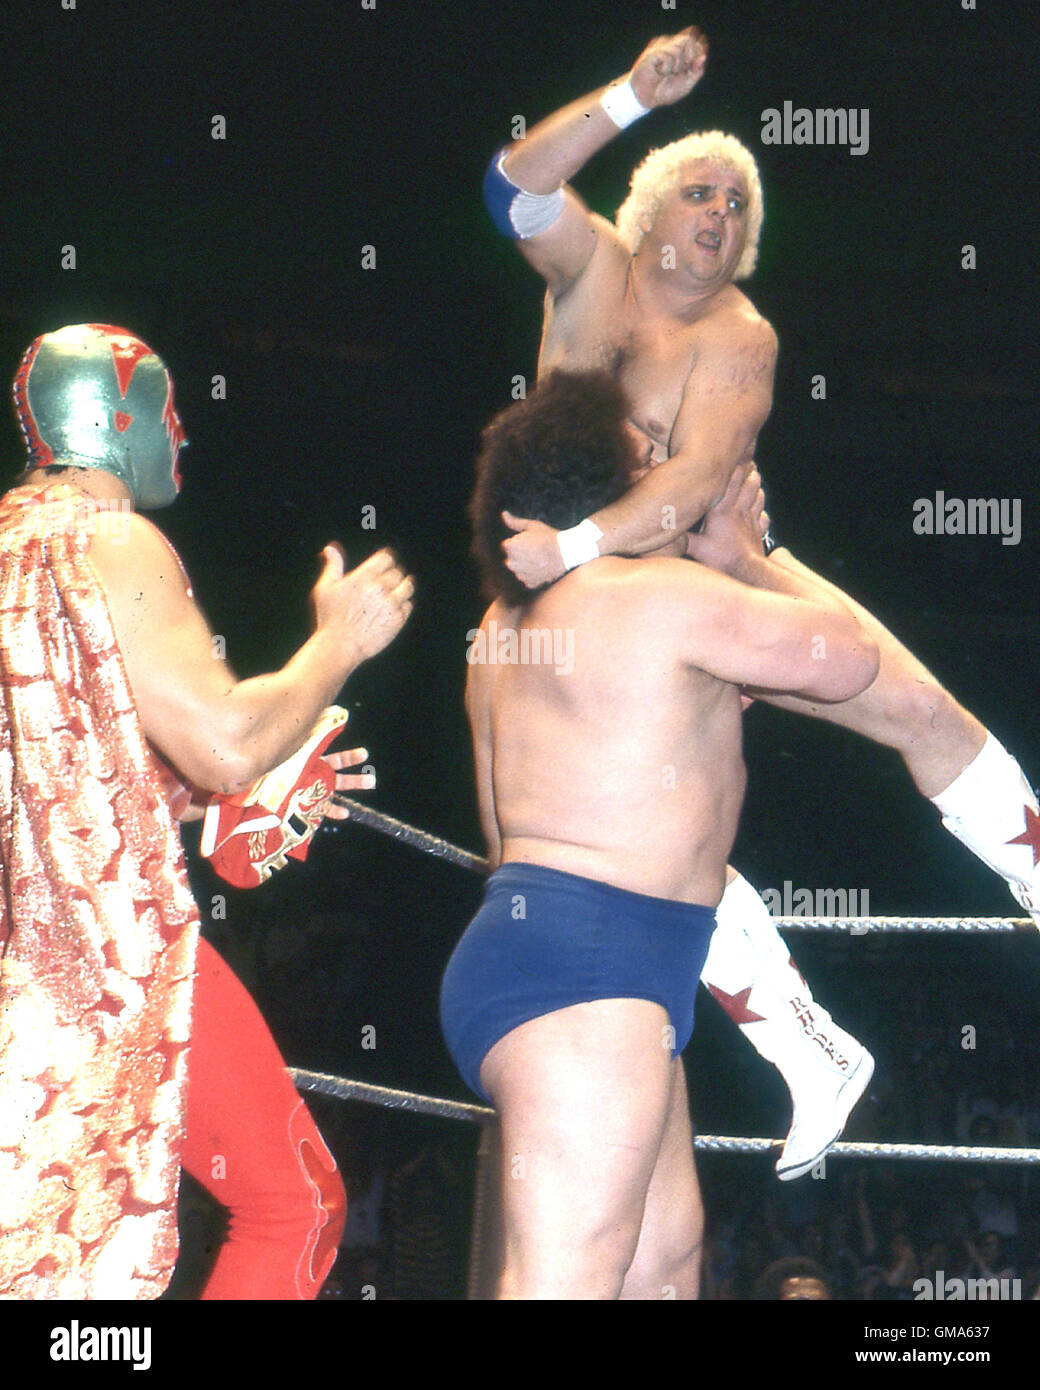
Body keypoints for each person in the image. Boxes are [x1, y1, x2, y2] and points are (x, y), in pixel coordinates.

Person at [481, 26, 1039, 1179]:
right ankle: (803, 1043)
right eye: (699, 192)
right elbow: (511, 181)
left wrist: (585, 538)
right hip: (582, 608)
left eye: (737, 204)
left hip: (696, 568)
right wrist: (631, 93)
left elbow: (695, 480)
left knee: (916, 707)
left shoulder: (742, 331)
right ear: (644, 209)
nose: (720, 216)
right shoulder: (587, 269)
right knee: (623, 836)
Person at [440, 369, 879, 1299]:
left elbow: (496, 824)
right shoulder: (662, 598)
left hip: (576, 958)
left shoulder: (502, 626)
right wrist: (746, 553)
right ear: (609, 493)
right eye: (652, 463)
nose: (675, 479)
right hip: (591, 965)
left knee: (665, 1267)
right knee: (571, 1276)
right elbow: (850, 661)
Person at [0, 323, 414, 1298]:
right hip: (106, 955)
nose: (182, 433)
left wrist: (221, 807)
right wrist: (336, 646)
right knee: (293, 1204)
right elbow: (225, 741)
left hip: (27, 956)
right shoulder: (112, 540)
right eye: (166, 411)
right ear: (114, 418)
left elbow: (59, 767)